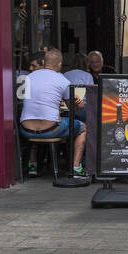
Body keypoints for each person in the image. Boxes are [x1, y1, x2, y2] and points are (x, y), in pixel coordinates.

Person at [20, 46, 86, 176]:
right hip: (50, 129)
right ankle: (76, 168)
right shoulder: (62, 80)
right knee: (83, 127)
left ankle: (32, 165)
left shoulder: (28, 78)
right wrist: (79, 104)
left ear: (43, 63)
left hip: (25, 129)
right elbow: (73, 108)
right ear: (60, 64)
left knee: (36, 124)